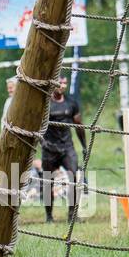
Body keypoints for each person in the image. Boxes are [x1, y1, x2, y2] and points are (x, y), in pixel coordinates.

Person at [37, 79, 82, 224]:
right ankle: (49, 216)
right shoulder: (44, 104)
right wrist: (43, 143)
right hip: (49, 149)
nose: (62, 86)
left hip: (67, 148)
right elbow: (36, 127)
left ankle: (72, 215)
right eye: (59, 82)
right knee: (48, 182)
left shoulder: (71, 103)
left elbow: (79, 125)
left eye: (64, 83)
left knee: (74, 178)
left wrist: (85, 146)